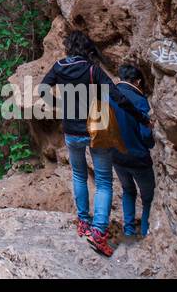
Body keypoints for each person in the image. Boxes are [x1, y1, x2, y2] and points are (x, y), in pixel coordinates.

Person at [38, 30, 148, 258]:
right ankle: (98, 232)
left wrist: (60, 106)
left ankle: (83, 222)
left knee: (78, 175)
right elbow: (118, 96)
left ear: (68, 47)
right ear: (87, 48)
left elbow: (42, 89)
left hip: (71, 131)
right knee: (104, 182)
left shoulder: (59, 67)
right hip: (95, 130)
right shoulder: (92, 70)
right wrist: (141, 117)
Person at [111, 63, 156, 238]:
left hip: (115, 155)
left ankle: (129, 230)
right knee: (148, 197)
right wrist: (150, 144)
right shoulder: (139, 100)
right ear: (137, 82)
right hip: (137, 157)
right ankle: (145, 232)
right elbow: (145, 134)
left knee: (128, 190)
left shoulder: (109, 96)